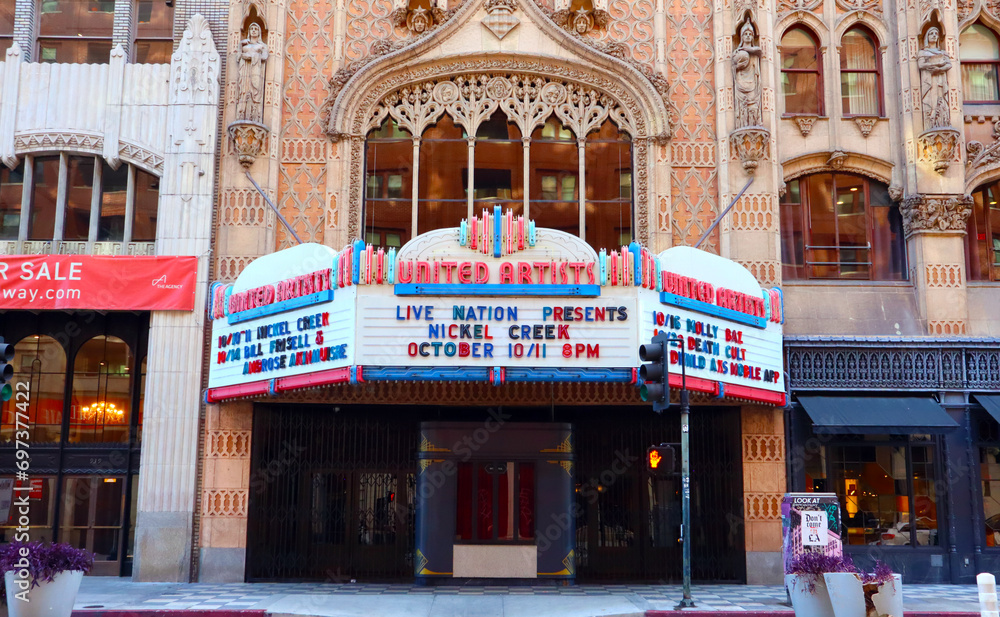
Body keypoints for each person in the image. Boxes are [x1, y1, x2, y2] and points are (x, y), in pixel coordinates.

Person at [917, 26, 952, 129]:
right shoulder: (922, 52)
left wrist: (939, 69)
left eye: (936, 34)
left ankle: (941, 121)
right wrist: (936, 65)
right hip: (929, 80)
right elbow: (921, 65)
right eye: (931, 33)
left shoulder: (943, 53)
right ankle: (931, 122)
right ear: (927, 37)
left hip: (940, 79)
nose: (934, 36)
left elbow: (949, 65)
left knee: (941, 100)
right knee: (931, 100)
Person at [732, 21, 762, 128]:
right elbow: (734, 67)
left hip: (752, 83)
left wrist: (743, 49)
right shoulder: (737, 53)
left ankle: (754, 124)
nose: (748, 36)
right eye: (745, 34)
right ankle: (742, 125)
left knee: (753, 106)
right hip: (741, 82)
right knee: (742, 107)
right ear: (742, 37)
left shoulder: (754, 52)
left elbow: (758, 50)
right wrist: (738, 66)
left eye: (750, 34)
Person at [237, 23, 268, 124]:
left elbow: (264, 57)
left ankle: (255, 115)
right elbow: (238, 57)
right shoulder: (245, 45)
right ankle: (242, 113)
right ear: (249, 31)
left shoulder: (262, 46)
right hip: (244, 70)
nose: (253, 30)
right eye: (252, 29)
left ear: (259, 32)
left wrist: (251, 57)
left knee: (255, 91)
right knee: (243, 90)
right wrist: (240, 45)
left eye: (256, 29)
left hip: (256, 71)